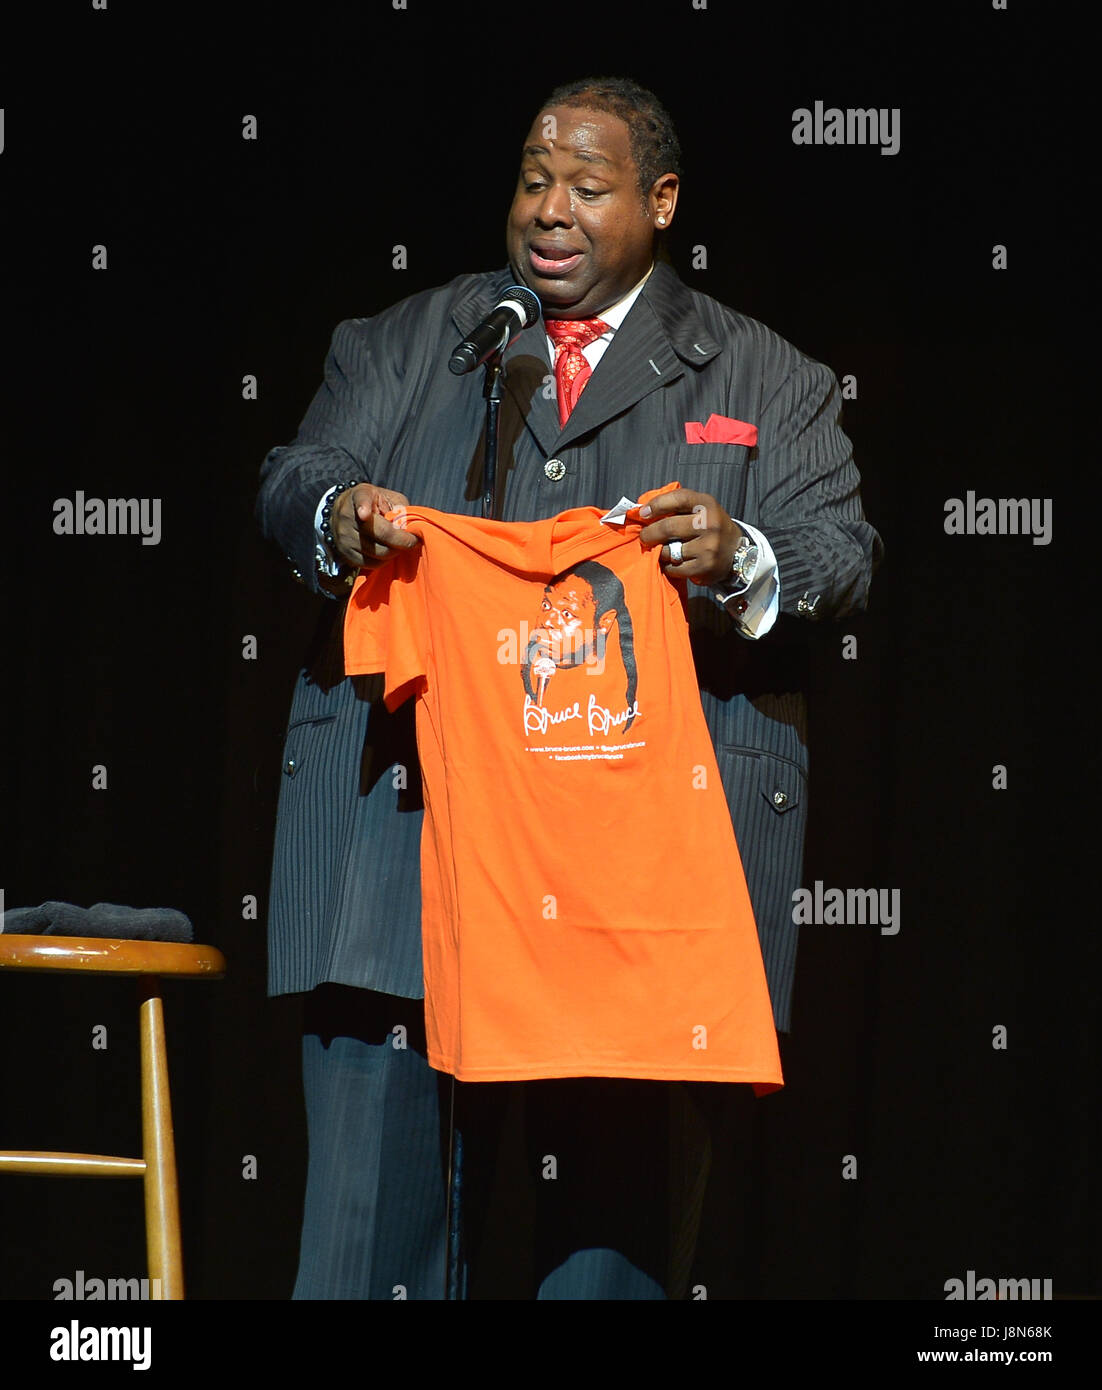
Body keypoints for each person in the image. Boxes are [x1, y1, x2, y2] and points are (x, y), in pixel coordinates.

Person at [256, 76, 882, 1300]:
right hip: (409, 858)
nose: (550, 211)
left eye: (587, 189)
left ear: (659, 201)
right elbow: (297, 473)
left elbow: (842, 554)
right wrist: (345, 513)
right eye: (534, 182)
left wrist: (739, 553)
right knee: (363, 1253)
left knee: (610, 1260)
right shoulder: (409, 342)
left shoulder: (769, 377)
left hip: (642, 887)